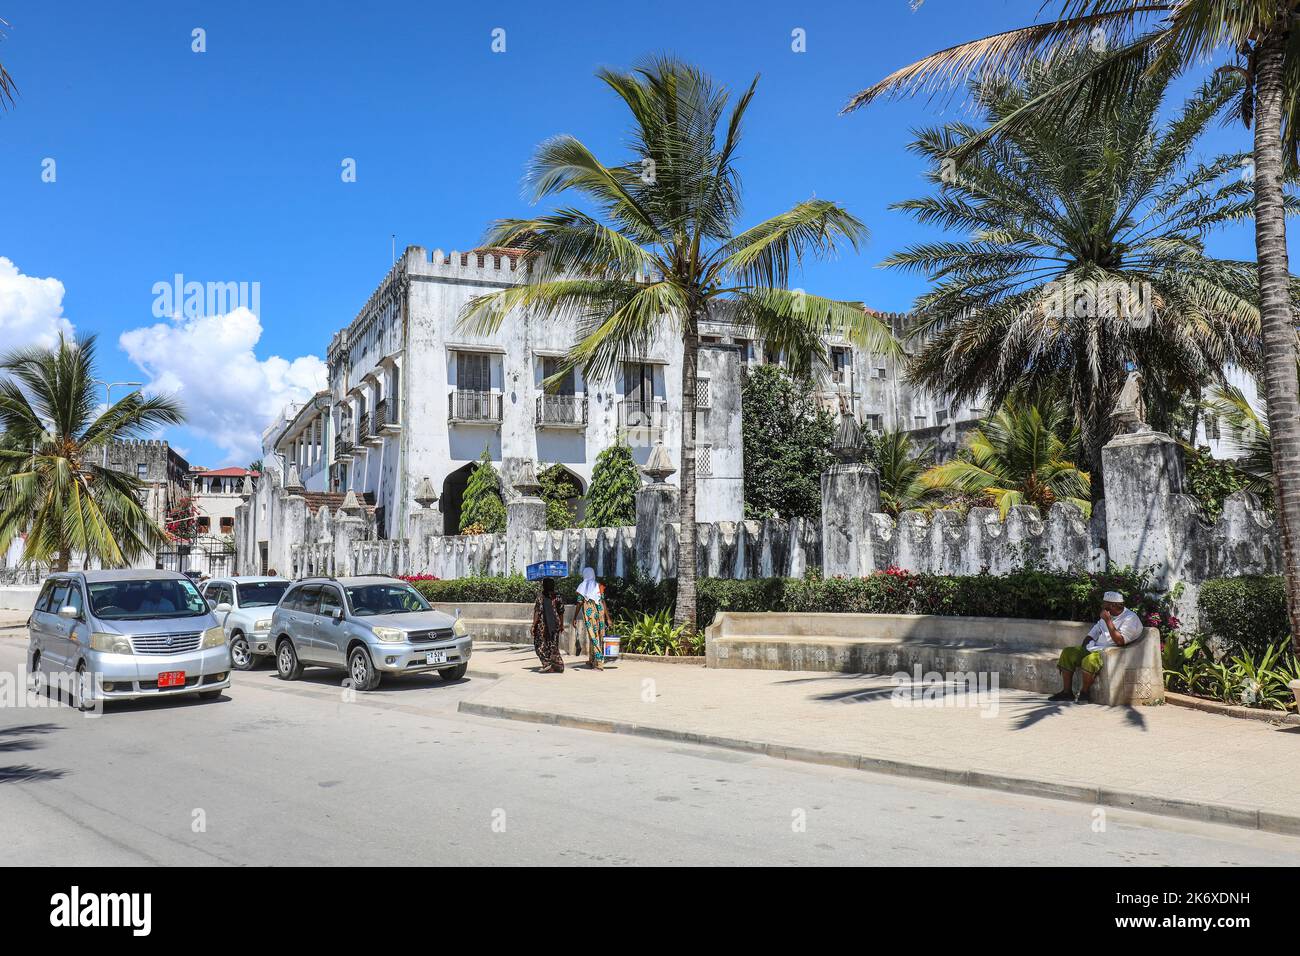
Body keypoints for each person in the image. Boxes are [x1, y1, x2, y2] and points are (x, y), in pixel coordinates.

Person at [1050, 590, 1144, 703]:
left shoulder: (1130, 618)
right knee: (1068, 652)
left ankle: (1084, 693)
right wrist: (1085, 647)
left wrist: (1108, 621)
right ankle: (1067, 692)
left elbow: (1120, 641)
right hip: (1094, 647)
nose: (1102, 606)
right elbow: (1091, 635)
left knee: (1089, 660)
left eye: (1105, 604)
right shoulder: (1106, 616)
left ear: (1113, 605)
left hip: (1110, 651)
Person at [577, 567, 610, 671]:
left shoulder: (582, 586)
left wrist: (574, 617)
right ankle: (592, 660)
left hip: (589, 612)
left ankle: (599, 663)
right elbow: (603, 602)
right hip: (600, 612)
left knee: (593, 636)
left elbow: (579, 603)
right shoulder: (599, 586)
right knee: (598, 636)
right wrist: (608, 618)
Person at [530, 577, 566, 673]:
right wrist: (561, 624)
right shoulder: (558, 596)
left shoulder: (540, 597)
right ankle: (557, 665)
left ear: (544, 585)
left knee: (539, 644)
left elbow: (537, 612)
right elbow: (561, 611)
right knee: (553, 645)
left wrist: (533, 625)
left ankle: (547, 664)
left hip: (543, 625)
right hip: (555, 624)